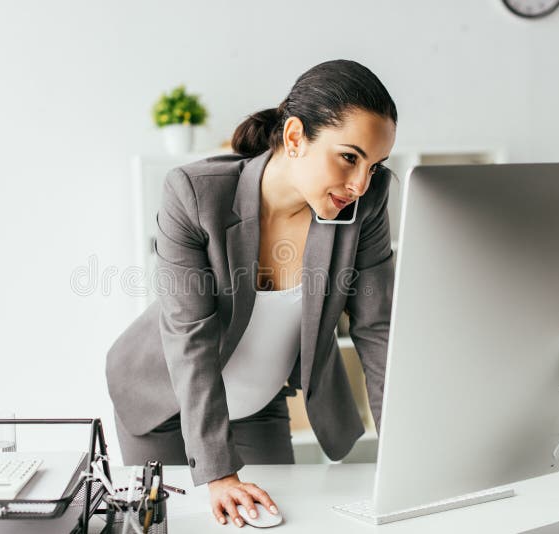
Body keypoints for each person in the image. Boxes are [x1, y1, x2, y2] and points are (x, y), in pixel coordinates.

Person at [106, 58, 397, 527]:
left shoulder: (365, 203)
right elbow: (189, 334)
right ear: (296, 137)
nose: (361, 183)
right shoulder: (195, 193)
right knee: (173, 525)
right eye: (349, 156)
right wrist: (219, 473)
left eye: (375, 164)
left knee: (281, 523)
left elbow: (377, 329)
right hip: (165, 404)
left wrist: (403, 459)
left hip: (261, 406)